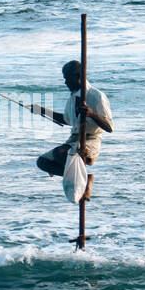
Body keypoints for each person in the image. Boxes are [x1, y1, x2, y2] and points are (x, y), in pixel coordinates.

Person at [29, 60, 113, 200]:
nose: (65, 82)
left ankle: (85, 180)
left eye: (68, 78)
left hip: (90, 139)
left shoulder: (96, 95)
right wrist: (42, 111)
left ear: (78, 76)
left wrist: (91, 114)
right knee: (43, 162)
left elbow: (109, 127)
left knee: (61, 153)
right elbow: (66, 119)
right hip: (73, 140)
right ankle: (84, 178)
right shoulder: (73, 97)